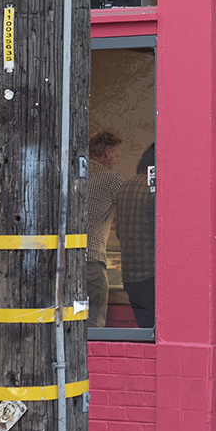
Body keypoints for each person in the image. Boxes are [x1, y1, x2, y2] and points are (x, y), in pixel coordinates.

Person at [114, 145, 156, 329]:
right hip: (151, 273)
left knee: (144, 328)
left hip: (129, 273)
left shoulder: (125, 186)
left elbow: (118, 232)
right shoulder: (153, 188)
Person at [86, 130, 124, 328]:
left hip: (66, 260)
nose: (115, 160)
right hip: (92, 258)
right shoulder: (111, 180)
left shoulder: (74, 174)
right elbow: (128, 211)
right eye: (116, 155)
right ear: (107, 153)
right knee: (94, 323)